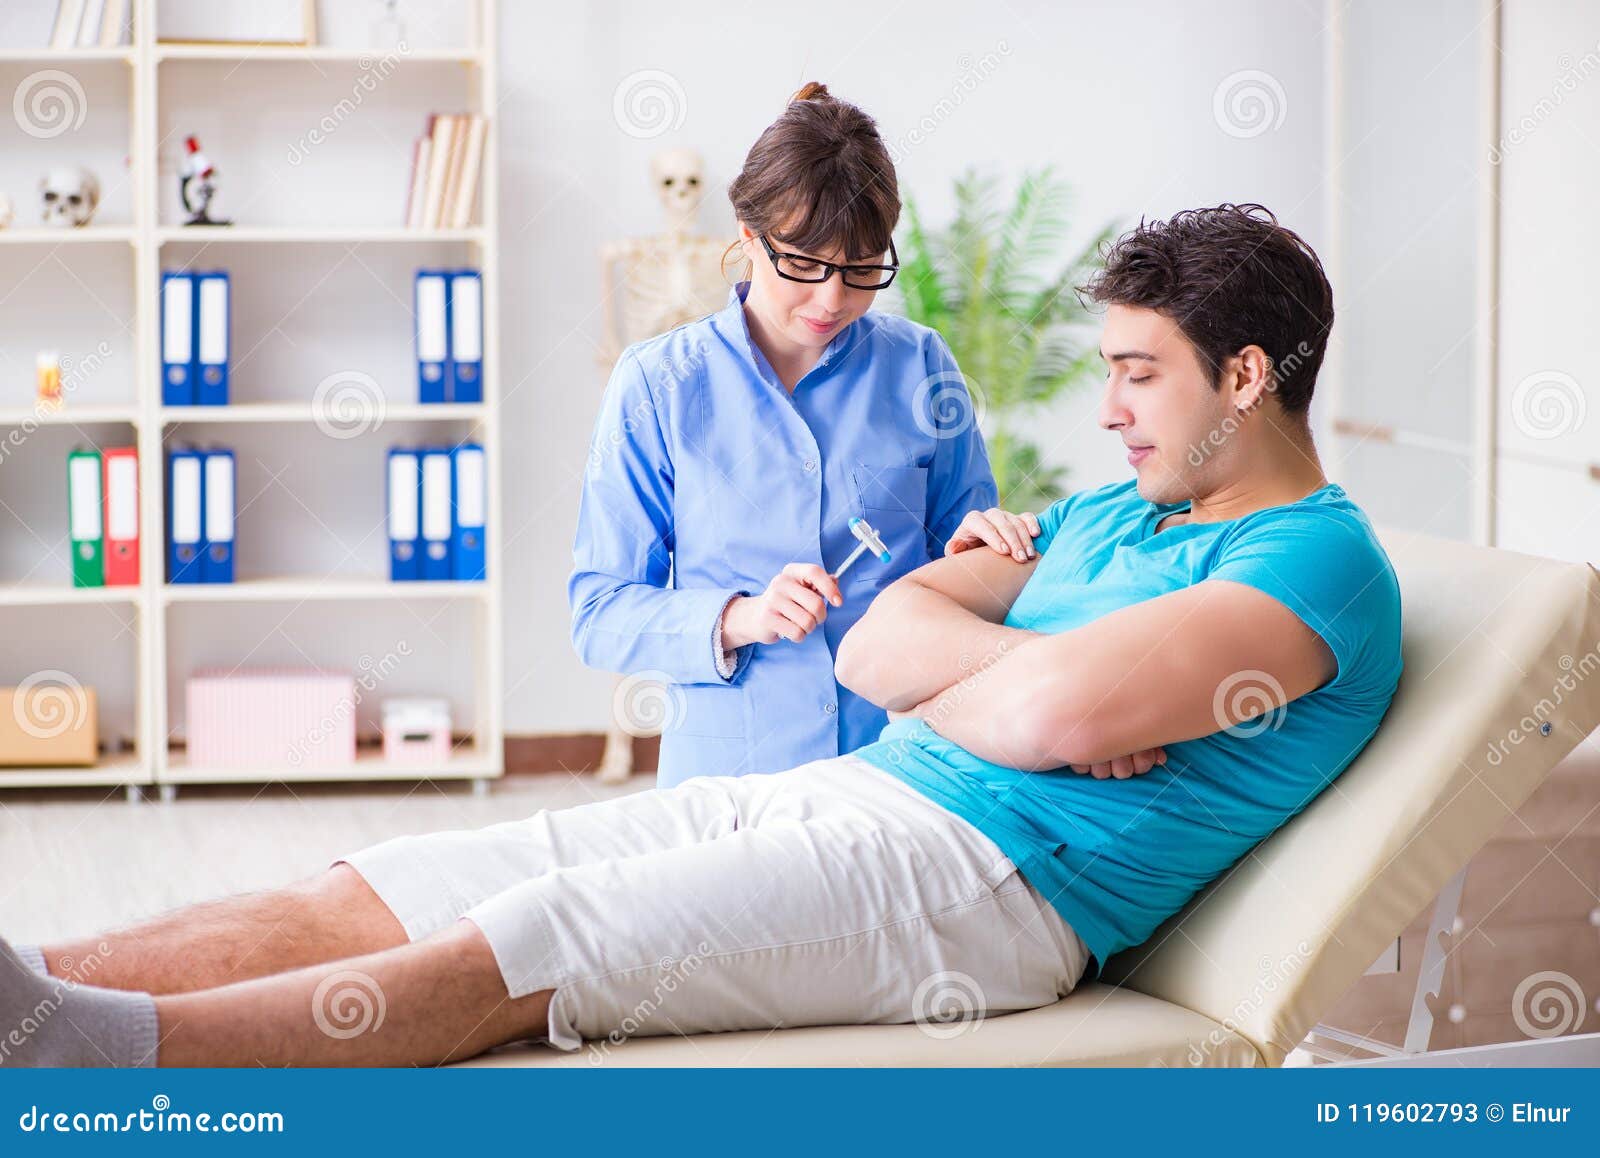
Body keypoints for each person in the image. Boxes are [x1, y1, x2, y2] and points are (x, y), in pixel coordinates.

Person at [3, 204, 1401, 1068]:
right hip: (860, 789)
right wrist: (1035, 682)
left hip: (994, 887)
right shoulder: (1112, 516)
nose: (1108, 410)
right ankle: (38, 986)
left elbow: (1031, 715)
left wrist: (1008, 686)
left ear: (1245, 375)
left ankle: (87, 1058)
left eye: (1138, 374)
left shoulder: (1314, 560)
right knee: (421, 870)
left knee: (541, 933)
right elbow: (873, 647)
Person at [570, 82, 1039, 787]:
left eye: (861, 270)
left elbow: (968, 568)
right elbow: (600, 613)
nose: (832, 298)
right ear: (748, 235)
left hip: (900, 763)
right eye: (804, 264)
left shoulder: (919, 366)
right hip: (732, 780)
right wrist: (740, 617)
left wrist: (984, 548)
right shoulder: (658, 383)